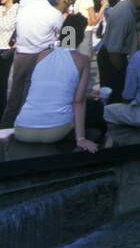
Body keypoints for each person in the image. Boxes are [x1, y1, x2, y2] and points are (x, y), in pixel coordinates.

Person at [12, 21, 98, 151]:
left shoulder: (43, 55)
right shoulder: (82, 60)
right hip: (54, 131)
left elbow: (46, 89)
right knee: (96, 111)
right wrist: (81, 139)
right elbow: (78, 102)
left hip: (22, 128)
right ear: (80, 38)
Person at [0, 0, 64, 128]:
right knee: (32, 96)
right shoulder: (54, 14)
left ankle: (5, 128)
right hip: (41, 56)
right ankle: (26, 126)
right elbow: (65, 37)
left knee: (15, 96)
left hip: (21, 55)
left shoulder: (23, 11)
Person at [95, 0, 140, 105]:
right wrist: (121, 71)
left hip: (114, 55)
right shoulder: (125, 15)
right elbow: (114, 50)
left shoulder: (127, 8)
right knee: (114, 97)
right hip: (112, 58)